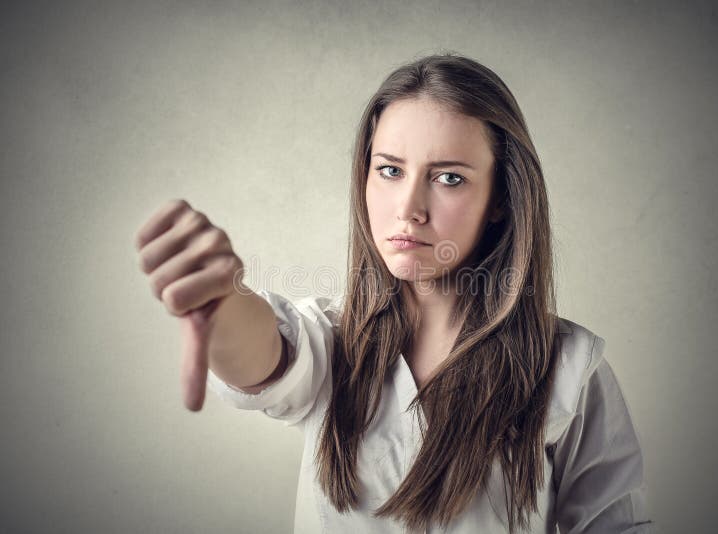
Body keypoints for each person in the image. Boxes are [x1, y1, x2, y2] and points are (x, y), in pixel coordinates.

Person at [135, 53, 652, 533]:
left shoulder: (569, 366)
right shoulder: (330, 340)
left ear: (501, 198)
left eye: (449, 178)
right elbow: (263, 353)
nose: (408, 209)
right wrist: (222, 300)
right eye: (390, 170)